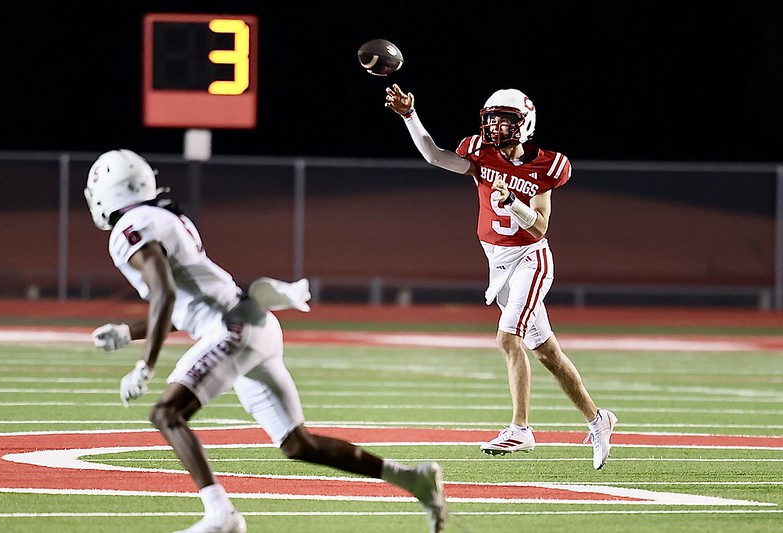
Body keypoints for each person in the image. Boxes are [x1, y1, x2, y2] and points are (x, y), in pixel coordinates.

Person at [85, 149, 447, 533]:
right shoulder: (163, 217)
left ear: (111, 191)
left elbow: (165, 295)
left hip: (233, 329)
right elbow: (186, 304)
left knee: (166, 414)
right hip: (252, 324)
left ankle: (221, 514)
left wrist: (146, 364)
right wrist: (130, 332)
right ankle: (412, 479)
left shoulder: (132, 227)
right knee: (298, 444)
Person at [385, 84, 617, 470]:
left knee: (507, 338)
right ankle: (599, 420)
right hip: (498, 263)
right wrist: (410, 115)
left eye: (505, 120)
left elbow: (539, 228)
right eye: (491, 118)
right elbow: (434, 156)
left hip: (531, 259)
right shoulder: (480, 154)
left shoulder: (548, 166)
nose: (495, 126)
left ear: (525, 124)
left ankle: (520, 429)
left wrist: (515, 204)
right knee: (548, 354)